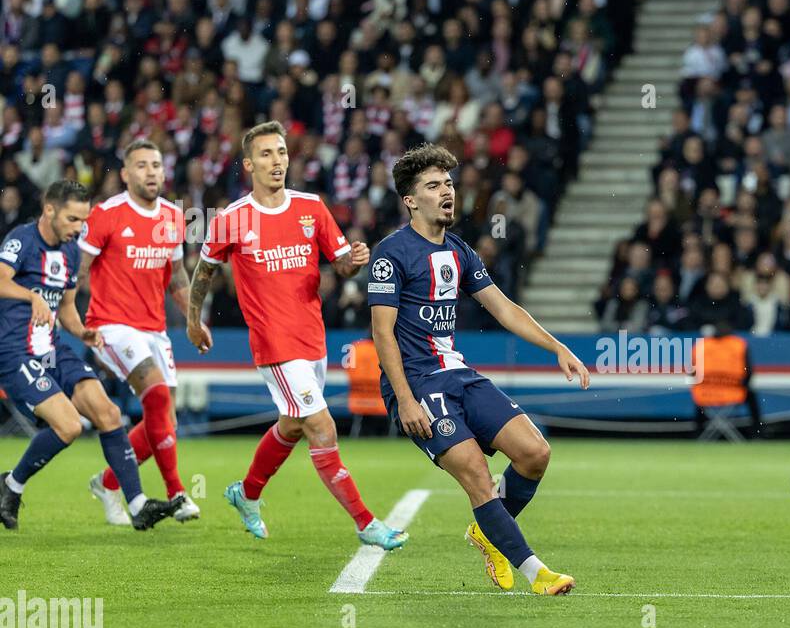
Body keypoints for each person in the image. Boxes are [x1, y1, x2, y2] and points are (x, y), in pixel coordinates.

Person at [368, 143, 588, 595]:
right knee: (478, 478)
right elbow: (382, 334)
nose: (447, 191)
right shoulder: (391, 254)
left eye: (448, 183)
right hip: (416, 385)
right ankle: (536, 574)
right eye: (433, 186)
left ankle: (487, 533)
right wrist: (405, 398)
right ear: (410, 200)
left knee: (535, 454)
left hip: (458, 374)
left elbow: (503, 308)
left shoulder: (460, 252)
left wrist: (556, 346)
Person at [187, 121, 408, 551]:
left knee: (291, 424)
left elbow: (341, 264)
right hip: (273, 343)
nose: (277, 162)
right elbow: (204, 272)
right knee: (322, 427)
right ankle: (365, 523)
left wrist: (355, 260)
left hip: (313, 339)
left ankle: (247, 494)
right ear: (249, 164)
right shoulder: (231, 219)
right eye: (267, 154)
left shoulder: (311, 207)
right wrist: (195, 320)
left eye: (283, 153)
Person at [0, 180, 181, 530]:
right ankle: (12, 484)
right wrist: (32, 296)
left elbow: (66, 307)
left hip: (51, 347)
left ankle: (139, 504)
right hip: (14, 351)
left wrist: (82, 331)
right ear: (49, 210)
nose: (78, 229)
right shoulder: (21, 240)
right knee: (69, 425)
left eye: (83, 221)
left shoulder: (70, 251)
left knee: (108, 412)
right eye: (71, 219)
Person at [79, 139, 200, 524]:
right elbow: (79, 271)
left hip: (155, 329)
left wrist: (193, 319)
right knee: (158, 394)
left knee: (164, 420)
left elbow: (178, 276)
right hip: (111, 325)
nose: (151, 172)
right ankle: (177, 493)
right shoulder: (105, 214)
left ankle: (108, 481)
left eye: (157, 165)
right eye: (142, 165)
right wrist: (67, 316)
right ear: (126, 174)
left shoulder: (172, 216)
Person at [690, 318, 762, 438]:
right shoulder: (738, 344)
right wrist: (741, 386)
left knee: (699, 403)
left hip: (705, 393)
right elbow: (748, 372)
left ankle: (698, 432)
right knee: (751, 396)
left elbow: (692, 372)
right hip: (733, 392)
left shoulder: (702, 345)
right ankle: (757, 433)